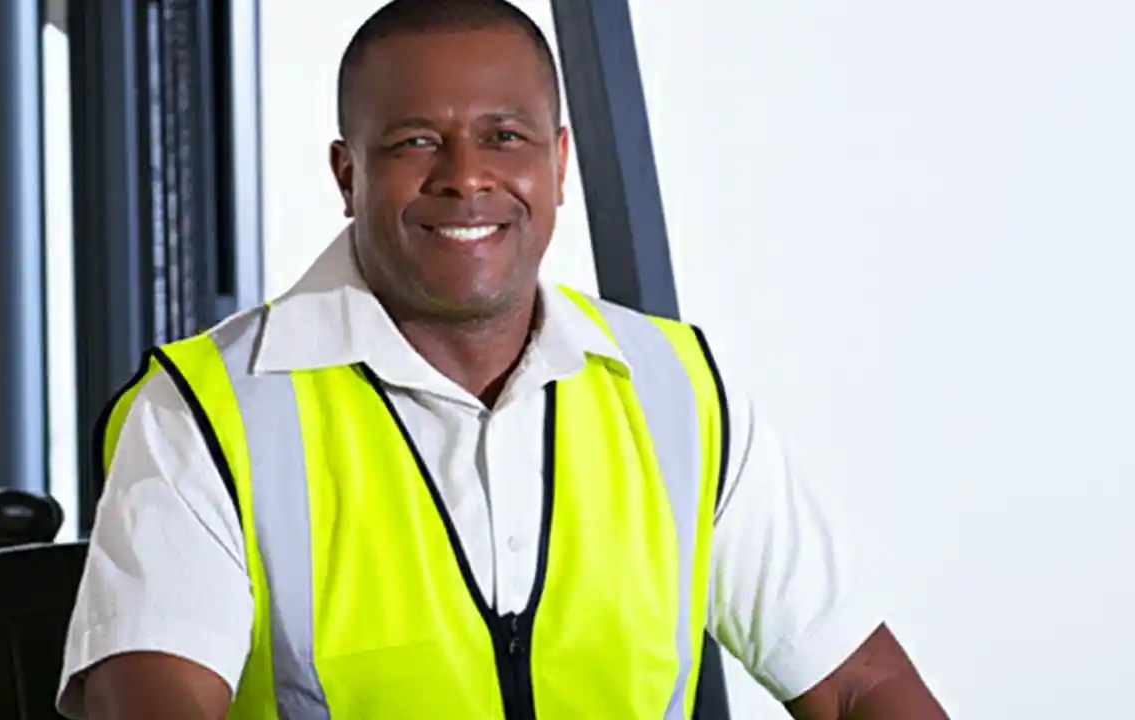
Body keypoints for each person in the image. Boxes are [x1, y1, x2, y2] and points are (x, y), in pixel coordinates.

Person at [57, 1, 947, 718]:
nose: (466, 175)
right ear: (346, 176)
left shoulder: (678, 391)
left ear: (559, 164)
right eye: (414, 142)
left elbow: (860, 686)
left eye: (506, 137)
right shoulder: (204, 413)